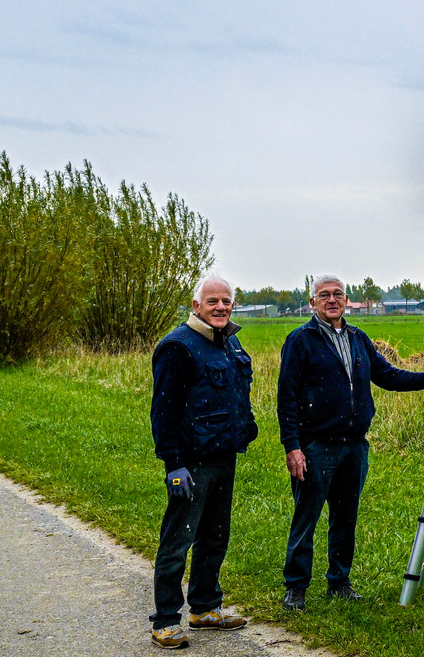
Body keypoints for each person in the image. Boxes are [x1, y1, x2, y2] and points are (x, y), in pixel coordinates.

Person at [277, 275, 424, 610]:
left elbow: (387, 375)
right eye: (324, 295)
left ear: (347, 299)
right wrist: (293, 446)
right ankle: (296, 588)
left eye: (338, 294)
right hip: (316, 446)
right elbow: (286, 397)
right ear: (313, 302)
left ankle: (339, 582)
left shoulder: (358, 338)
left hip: (354, 446)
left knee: (346, 518)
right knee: (307, 517)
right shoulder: (301, 340)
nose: (332, 300)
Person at [148, 275, 258, 649]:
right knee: (179, 540)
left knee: (214, 536)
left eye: (226, 301)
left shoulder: (229, 341)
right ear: (196, 306)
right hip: (190, 463)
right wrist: (173, 464)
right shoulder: (177, 348)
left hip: (224, 456)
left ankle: (205, 609)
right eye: (212, 301)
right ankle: (165, 620)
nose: (221, 307)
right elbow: (163, 412)